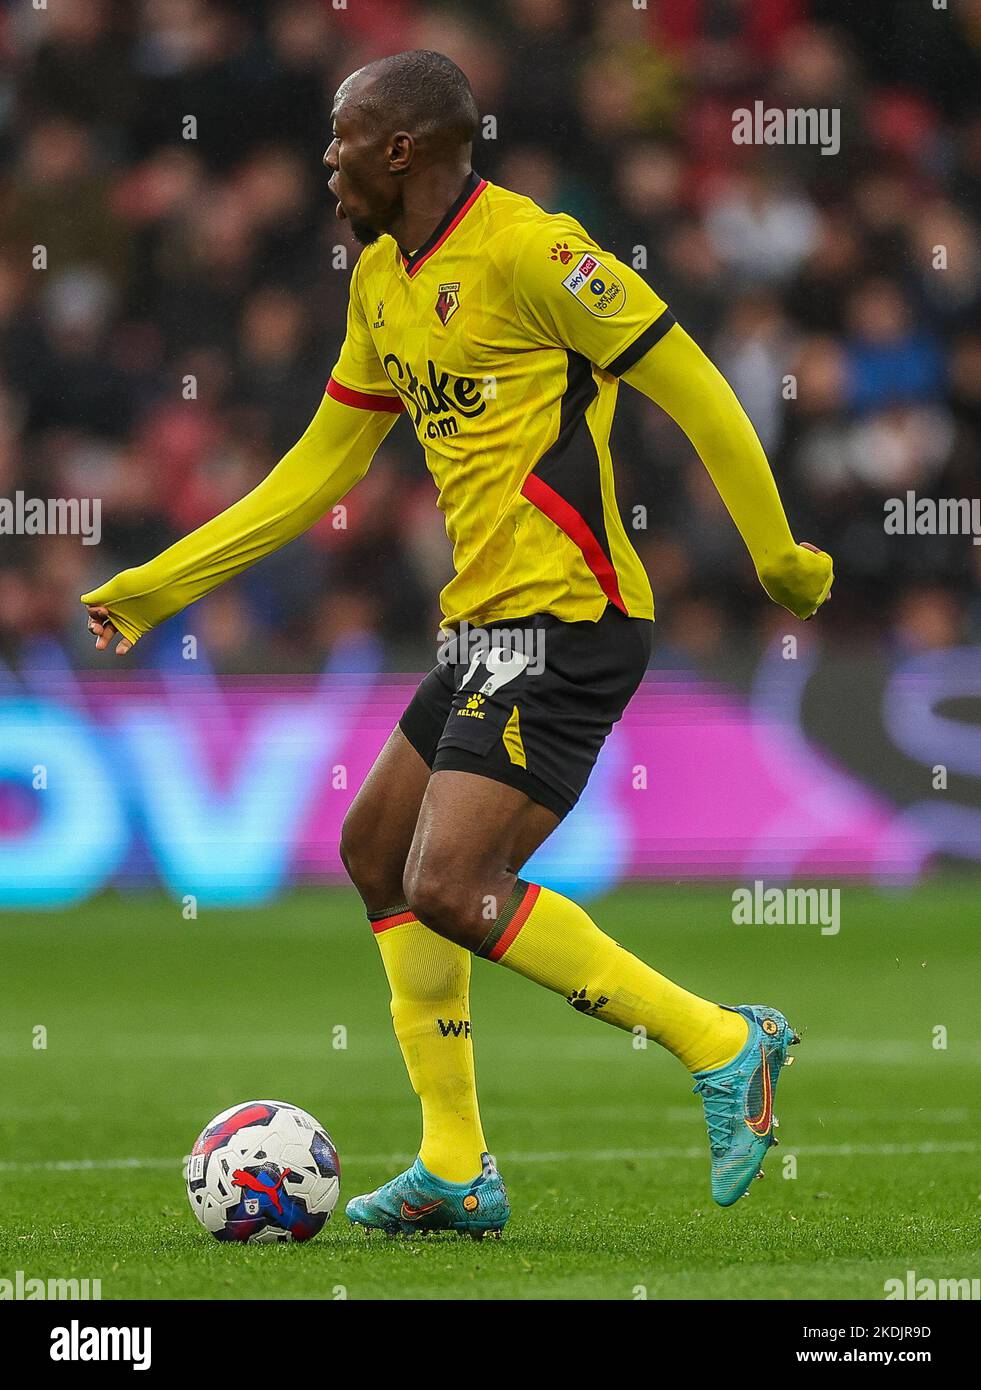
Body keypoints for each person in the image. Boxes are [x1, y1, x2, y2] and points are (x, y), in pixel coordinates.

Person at [83, 50, 833, 1238]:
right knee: (377, 853)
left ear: (402, 148)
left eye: (341, 136)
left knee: (450, 882)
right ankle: (456, 1163)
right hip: (483, 628)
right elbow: (320, 469)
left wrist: (777, 550)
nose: (323, 160)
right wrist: (166, 581)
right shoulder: (380, 279)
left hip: (570, 618)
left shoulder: (538, 251)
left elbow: (692, 386)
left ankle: (723, 1042)